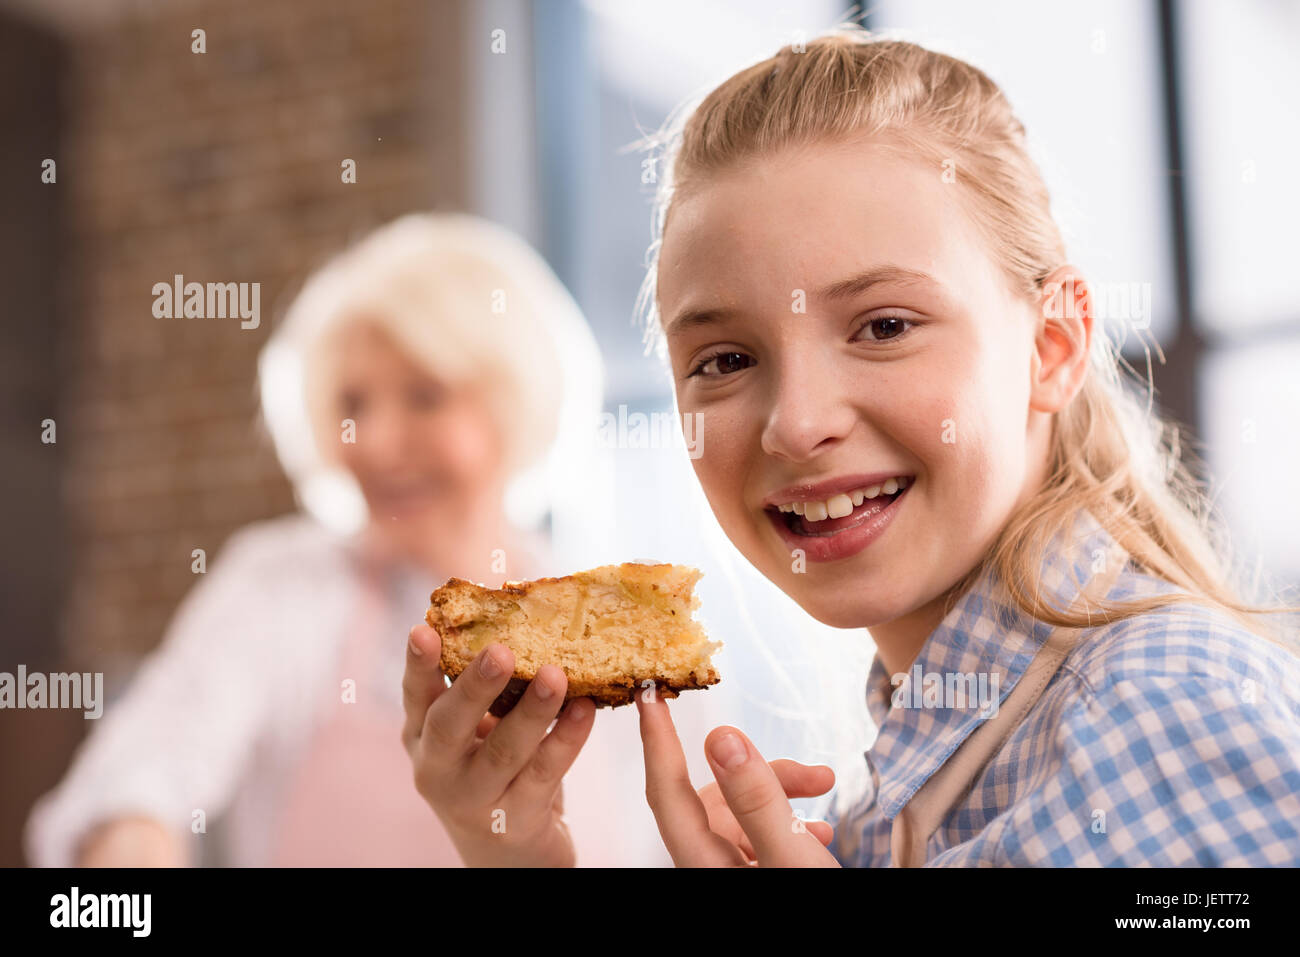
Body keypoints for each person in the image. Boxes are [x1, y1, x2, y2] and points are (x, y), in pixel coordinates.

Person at [405, 27, 1300, 868]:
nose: (795, 423)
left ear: (1051, 346)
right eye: (725, 359)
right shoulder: (917, 771)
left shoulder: (1159, 708)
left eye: (882, 325)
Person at [25, 212, 656, 866]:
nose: (375, 441)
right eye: (353, 404)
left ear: (514, 400)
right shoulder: (280, 586)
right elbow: (139, 774)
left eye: (425, 395)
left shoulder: (611, 628)